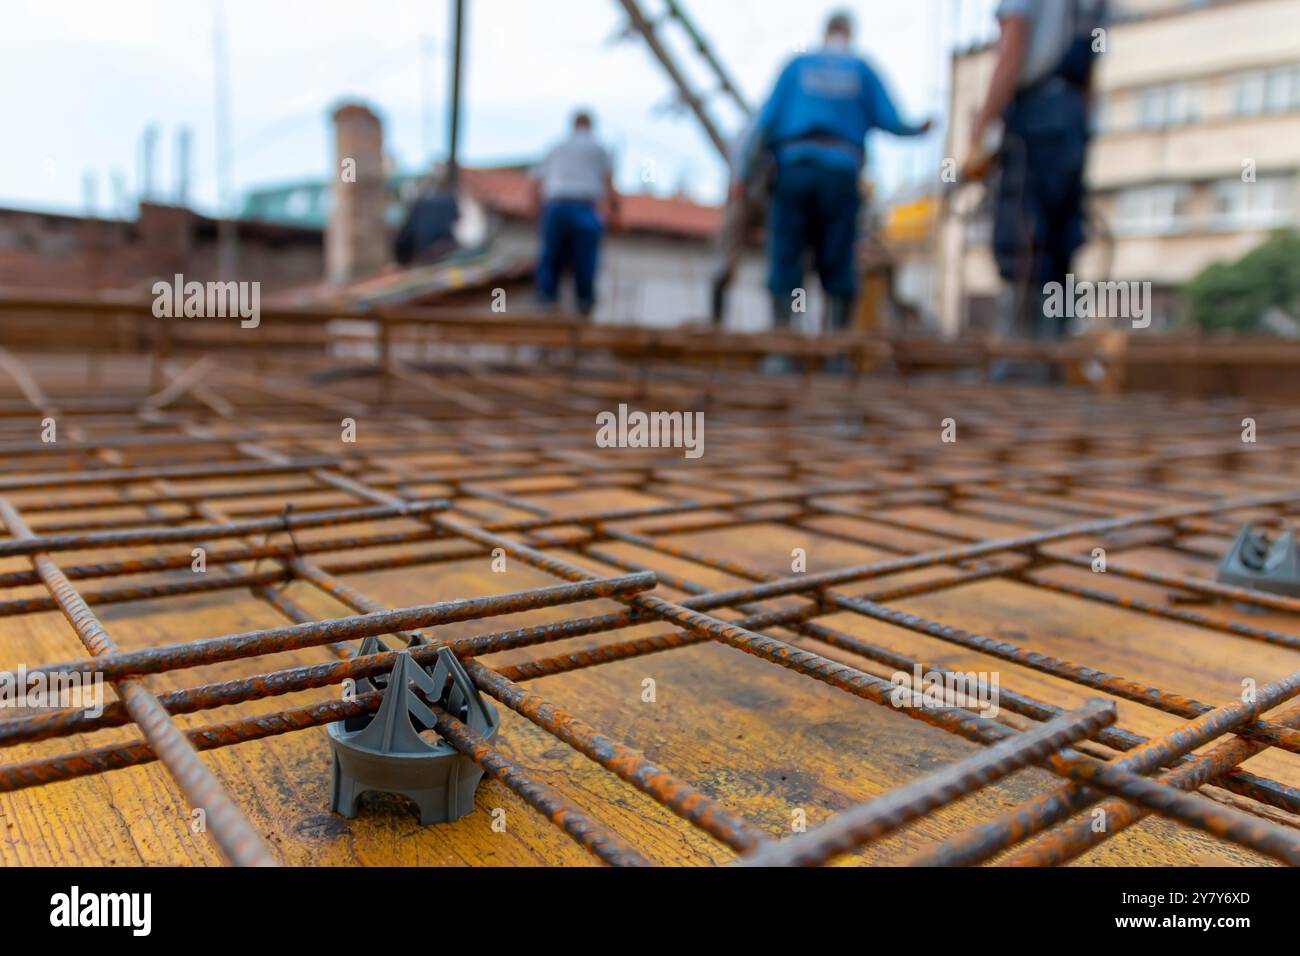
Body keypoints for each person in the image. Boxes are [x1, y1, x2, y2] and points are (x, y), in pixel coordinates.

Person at [742, 11, 931, 334]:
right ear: (849, 34)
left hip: (795, 170)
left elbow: (764, 123)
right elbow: (891, 120)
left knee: (787, 251)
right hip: (840, 175)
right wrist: (919, 129)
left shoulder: (796, 67)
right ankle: (836, 346)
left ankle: (783, 343)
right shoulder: (861, 69)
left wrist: (743, 174)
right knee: (839, 254)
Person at [965, 0, 1107, 350]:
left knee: (1023, 232)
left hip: (1036, 113)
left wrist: (979, 133)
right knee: (1061, 240)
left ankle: (1020, 353)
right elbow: (1091, 68)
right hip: (1071, 117)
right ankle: (1055, 351)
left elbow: (1012, 52)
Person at [531, 111, 620, 317]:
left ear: (573, 125)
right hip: (584, 207)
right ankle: (584, 303)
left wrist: (536, 211)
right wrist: (616, 214)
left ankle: (547, 299)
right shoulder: (599, 148)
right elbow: (609, 184)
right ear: (590, 126)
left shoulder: (556, 146)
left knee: (551, 255)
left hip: (556, 206)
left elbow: (536, 182)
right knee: (585, 259)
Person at [394, 166, 460, 266]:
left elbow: (406, 235)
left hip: (430, 257)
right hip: (448, 255)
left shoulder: (420, 204)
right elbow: (457, 220)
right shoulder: (449, 199)